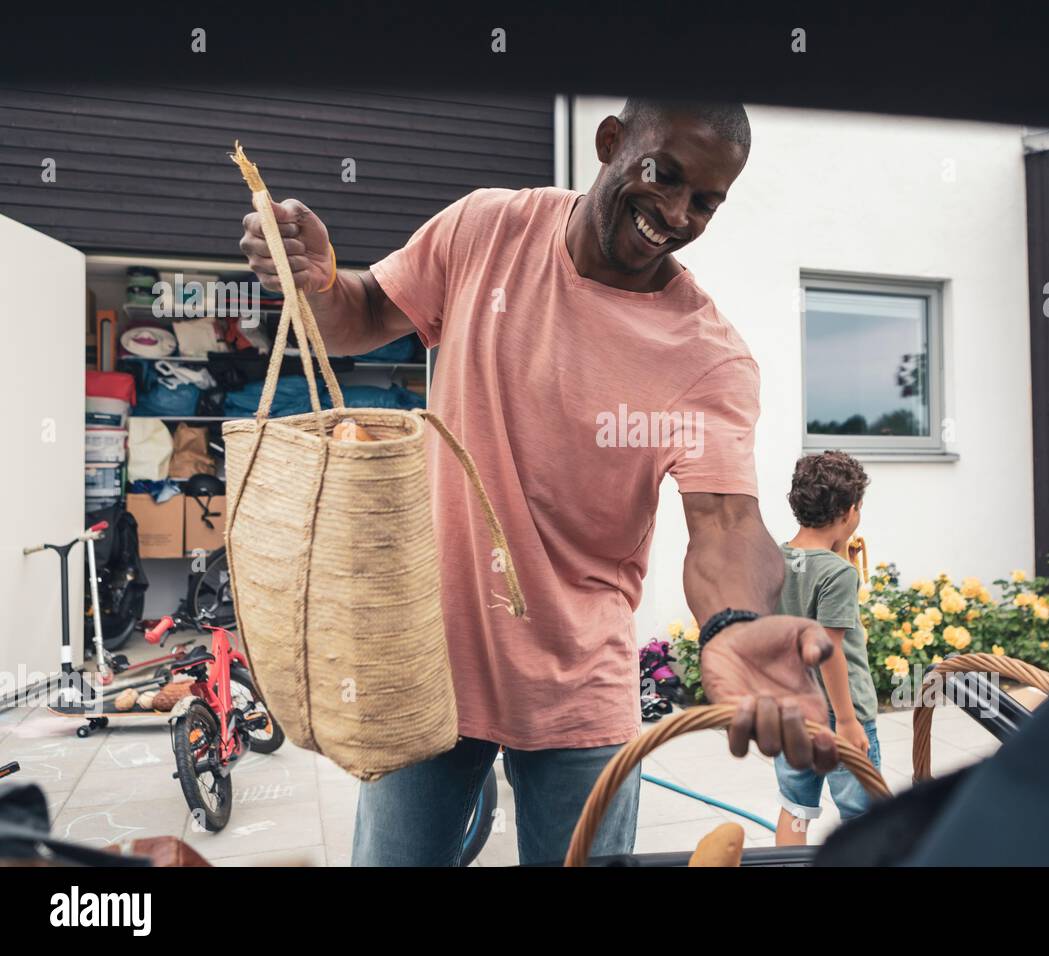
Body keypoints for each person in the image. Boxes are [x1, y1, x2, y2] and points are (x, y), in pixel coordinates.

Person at [238, 98, 842, 866]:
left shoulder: (707, 357)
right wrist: (320, 283)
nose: (676, 213)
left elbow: (725, 524)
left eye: (705, 202)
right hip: (430, 665)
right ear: (611, 142)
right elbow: (357, 317)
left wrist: (735, 624)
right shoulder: (485, 229)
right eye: (665, 175)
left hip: (579, 695)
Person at [772, 451, 881, 845]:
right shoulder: (839, 573)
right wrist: (849, 722)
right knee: (862, 816)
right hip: (839, 716)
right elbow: (828, 651)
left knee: (795, 807)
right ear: (850, 511)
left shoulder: (775, 559)